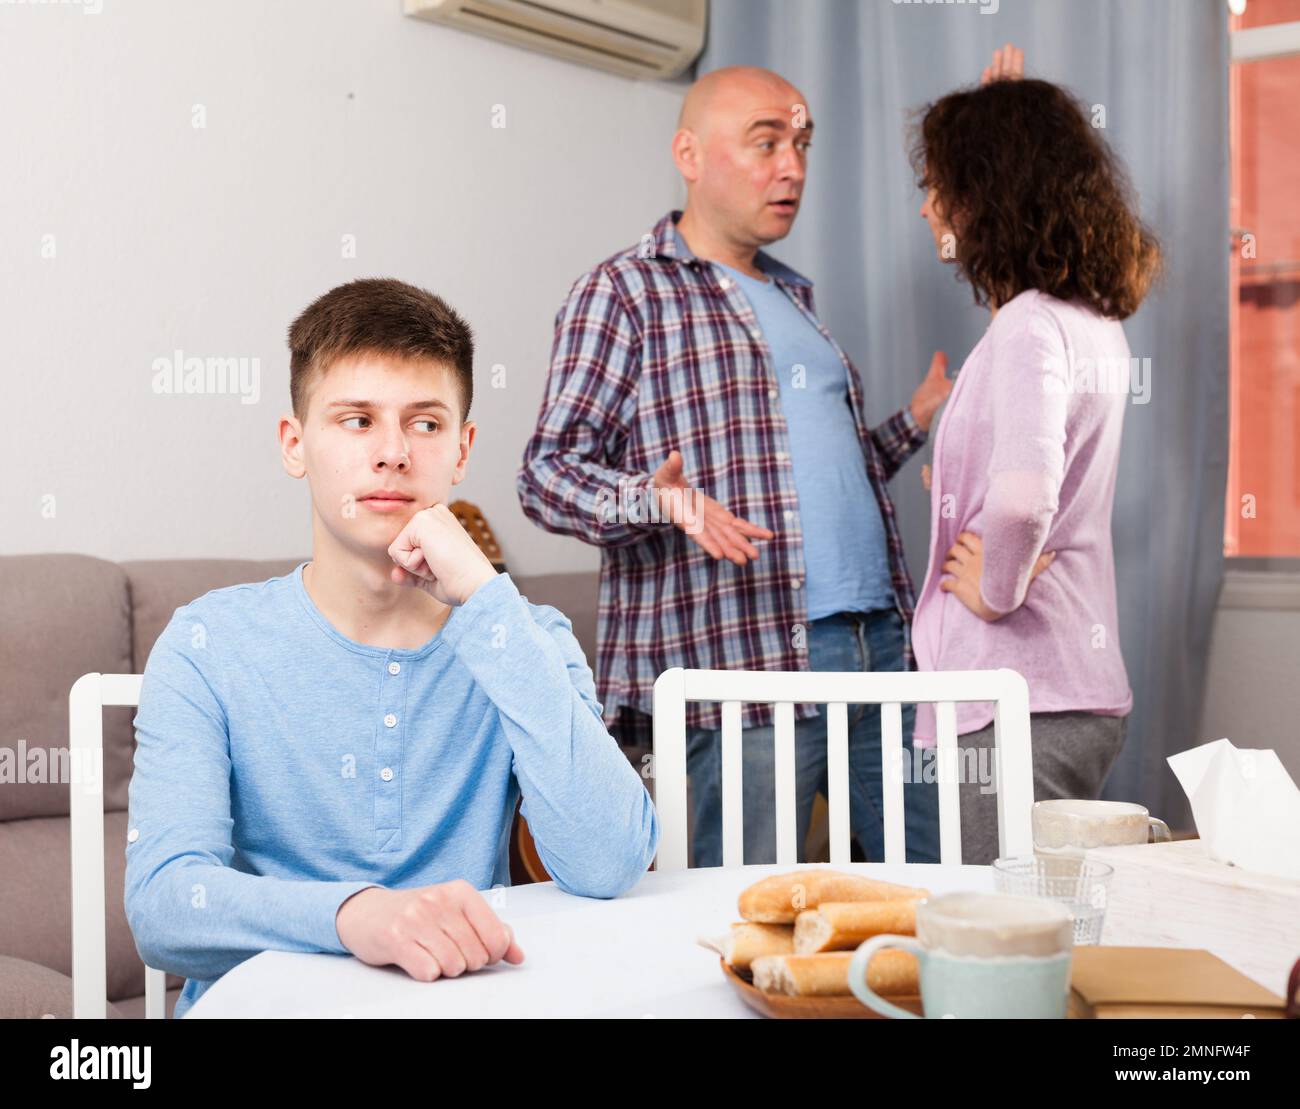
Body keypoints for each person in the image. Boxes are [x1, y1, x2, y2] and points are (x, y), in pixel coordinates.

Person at [125, 278, 658, 1017]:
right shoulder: (206, 643)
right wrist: (356, 916)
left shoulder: (525, 636)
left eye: (427, 424)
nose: (394, 453)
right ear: (295, 444)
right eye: (356, 420)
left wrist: (486, 595)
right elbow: (163, 905)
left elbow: (609, 861)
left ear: (463, 449)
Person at [518, 65, 957, 867]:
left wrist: (913, 421)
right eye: (766, 142)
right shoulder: (624, 293)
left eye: (802, 143)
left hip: (880, 647)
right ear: (689, 152)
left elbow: (821, 477)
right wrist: (655, 502)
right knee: (739, 922)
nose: (792, 165)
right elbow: (545, 472)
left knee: (931, 889)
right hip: (742, 672)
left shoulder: (795, 299)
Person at [908, 64, 1162, 864]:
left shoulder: (1024, 328)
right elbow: (1037, 469)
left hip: (1013, 697)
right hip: (1073, 691)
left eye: (936, 183)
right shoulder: (1090, 324)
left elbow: (1023, 501)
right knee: (1053, 931)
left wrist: (995, 587)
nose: (925, 206)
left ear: (982, 194)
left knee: (1004, 946)